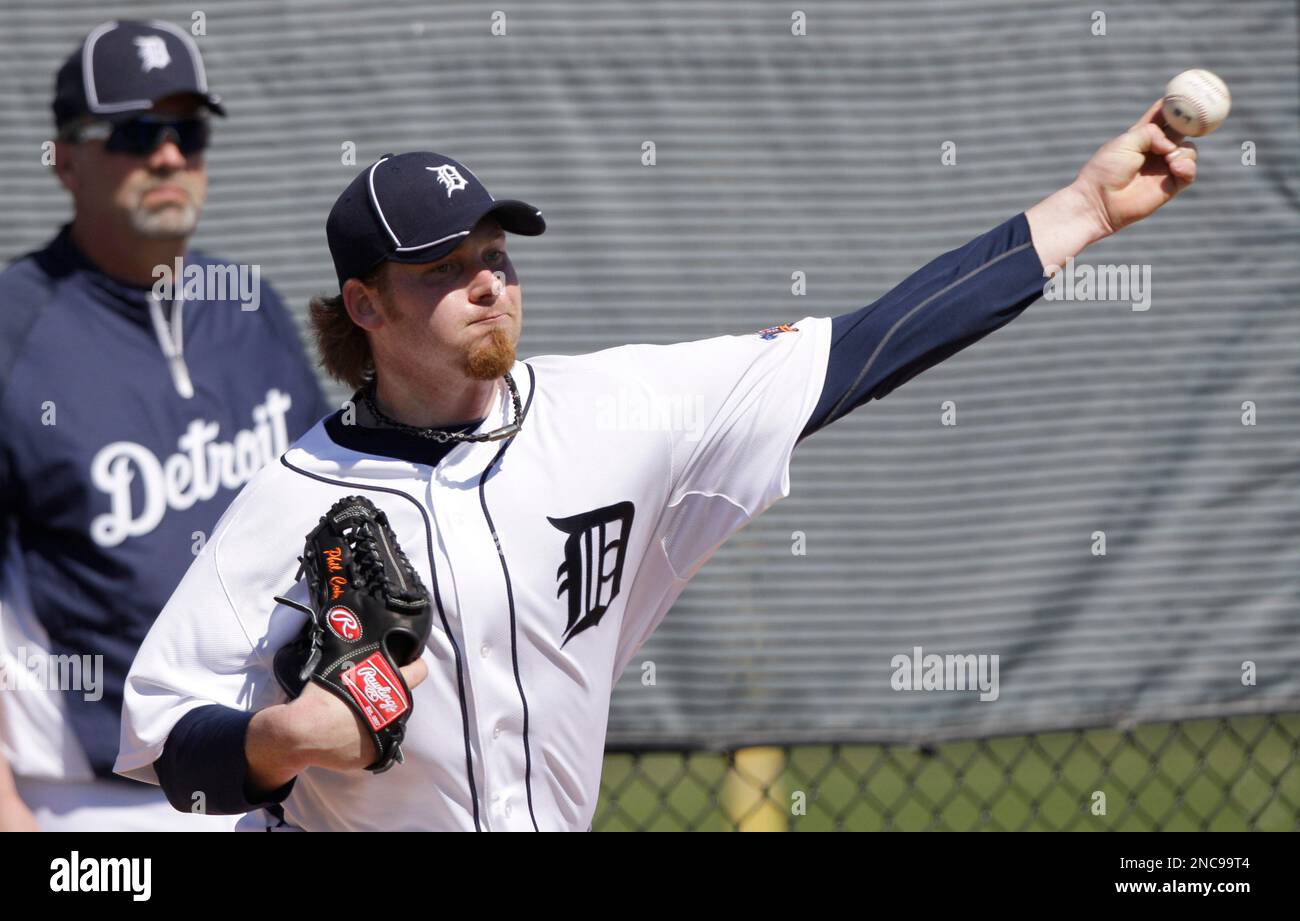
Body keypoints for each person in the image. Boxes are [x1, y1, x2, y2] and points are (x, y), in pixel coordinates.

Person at [115, 98, 1198, 830]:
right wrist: (276, 740)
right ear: (364, 306)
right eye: (447, 267)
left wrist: (1087, 209)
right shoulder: (288, 500)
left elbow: (868, 346)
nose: (490, 281)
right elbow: (166, 739)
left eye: (497, 254)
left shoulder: (617, 411)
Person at [0, 19, 331, 831]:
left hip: (274, 771)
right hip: (94, 800)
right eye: (135, 132)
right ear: (65, 159)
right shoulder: (13, 330)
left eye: (187, 130)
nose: (169, 156)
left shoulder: (248, 308)